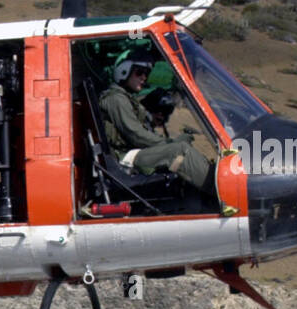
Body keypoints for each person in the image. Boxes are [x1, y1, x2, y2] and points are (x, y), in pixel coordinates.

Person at [99, 57, 236, 216]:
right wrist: (168, 143)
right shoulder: (116, 99)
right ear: (124, 72)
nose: (144, 77)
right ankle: (226, 193)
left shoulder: (125, 98)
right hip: (126, 159)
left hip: (132, 154)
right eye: (139, 72)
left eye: (146, 74)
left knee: (181, 149)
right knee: (178, 151)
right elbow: (135, 134)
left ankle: (210, 192)